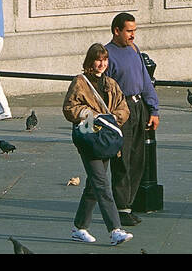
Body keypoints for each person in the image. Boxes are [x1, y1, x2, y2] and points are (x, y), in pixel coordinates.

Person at [63, 43, 132, 245]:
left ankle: (79, 227)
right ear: (90, 61)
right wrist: (94, 116)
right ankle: (115, 230)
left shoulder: (111, 83)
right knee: (102, 184)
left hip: (106, 139)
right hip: (89, 137)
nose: (102, 64)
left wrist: (111, 119)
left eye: (105, 60)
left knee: (94, 185)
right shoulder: (80, 82)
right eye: (98, 60)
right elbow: (69, 109)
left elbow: (123, 108)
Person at [104, 13, 160, 228]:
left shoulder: (135, 50)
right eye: (129, 31)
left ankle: (128, 204)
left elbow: (146, 81)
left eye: (134, 31)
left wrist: (153, 110)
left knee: (138, 158)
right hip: (121, 109)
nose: (133, 35)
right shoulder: (107, 54)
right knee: (122, 160)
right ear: (116, 30)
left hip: (139, 107)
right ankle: (121, 207)